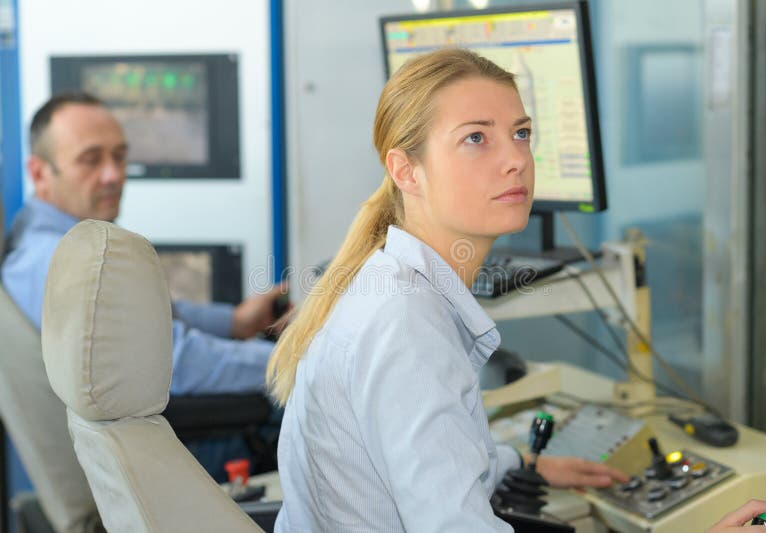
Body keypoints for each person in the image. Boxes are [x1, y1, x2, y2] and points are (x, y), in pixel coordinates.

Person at [266, 48, 627, 531]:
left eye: (521, 134)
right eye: (476, 138)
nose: (516, 160)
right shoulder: (405, 326)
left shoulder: (386, 283)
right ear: (405, 171)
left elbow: (423, 457)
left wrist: (517, 462)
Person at [1, 91, 286, 481]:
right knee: (303, 401)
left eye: (119, 156)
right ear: (39, 173)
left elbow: (151, 322)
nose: (113, 175)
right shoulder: (54, 261)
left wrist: (236, 322)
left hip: (140, 443)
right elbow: (173, 363)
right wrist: (292, 361)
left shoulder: (56, 244)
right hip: (156, 457)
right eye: (90, 160)